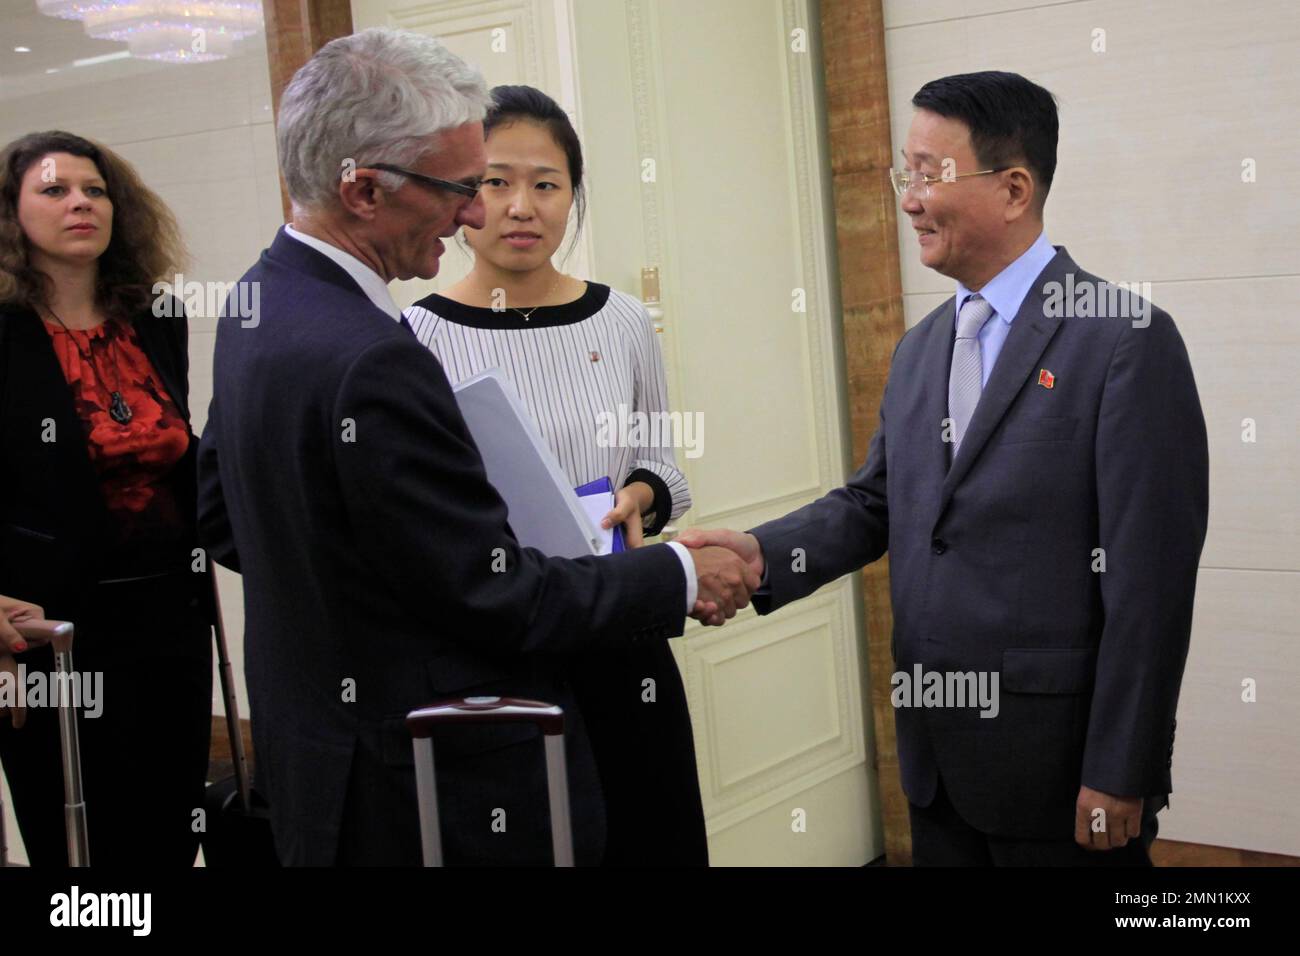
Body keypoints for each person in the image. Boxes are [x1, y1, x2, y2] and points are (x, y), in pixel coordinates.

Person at [196, 29, 754, 867]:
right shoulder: (377, 352)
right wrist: (678, 574)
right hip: (425, 755)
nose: (474, 212)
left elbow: (227, 516)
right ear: (364, 189)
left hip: (327, 746)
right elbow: (489, 593)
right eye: (465, 186)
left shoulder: (259, 300)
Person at [680, 71, 1209, 866]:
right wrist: (760, 557)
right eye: (905, 172)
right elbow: (875, 504)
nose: (908, 198)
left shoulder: (1124, 340)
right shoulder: (921, 348)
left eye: (931, 173)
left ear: (1015, 188)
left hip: (1058, 774)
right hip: (936, 766)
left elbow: (1152, 587)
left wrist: (1122, 771)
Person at [404, 84, 708, 865]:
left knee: (650, 836)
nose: (521, 206)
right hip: (499, 644)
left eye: (547, 184)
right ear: (464, 195)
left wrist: (642, 493)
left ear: (573, 195)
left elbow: (665, 468)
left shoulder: (622, 319)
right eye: (496, 181)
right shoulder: (415, 340)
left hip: (618, 630)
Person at [0, 130, 213, 866]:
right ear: (11, 213)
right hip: (49, 625)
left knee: (167, 820)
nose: (80, 203)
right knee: (79, 840)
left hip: (168, 616)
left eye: (94, 189)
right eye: (53, 190)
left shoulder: (153, 316)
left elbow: (183, 449)